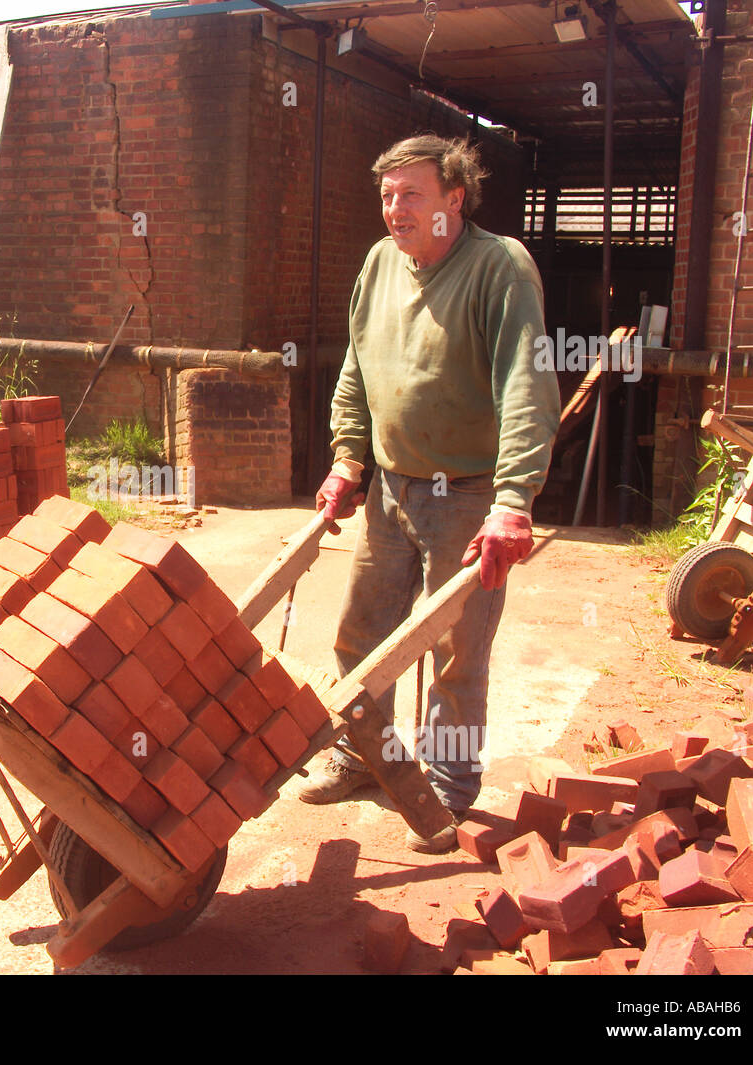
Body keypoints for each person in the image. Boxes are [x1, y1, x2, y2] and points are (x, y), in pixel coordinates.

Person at [297, 134, 561, 855]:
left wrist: (513, 499)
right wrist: (347, 457)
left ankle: (447, 779)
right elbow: (358, 365)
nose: (394, 209)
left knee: (455, 647)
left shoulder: (500, 267)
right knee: (361, 633)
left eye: (410, 193)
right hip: (392, 486)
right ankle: (361, 756)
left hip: (468, 494)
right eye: (386, 195)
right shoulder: (381, 263)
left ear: (454, 196)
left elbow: (526, 385)